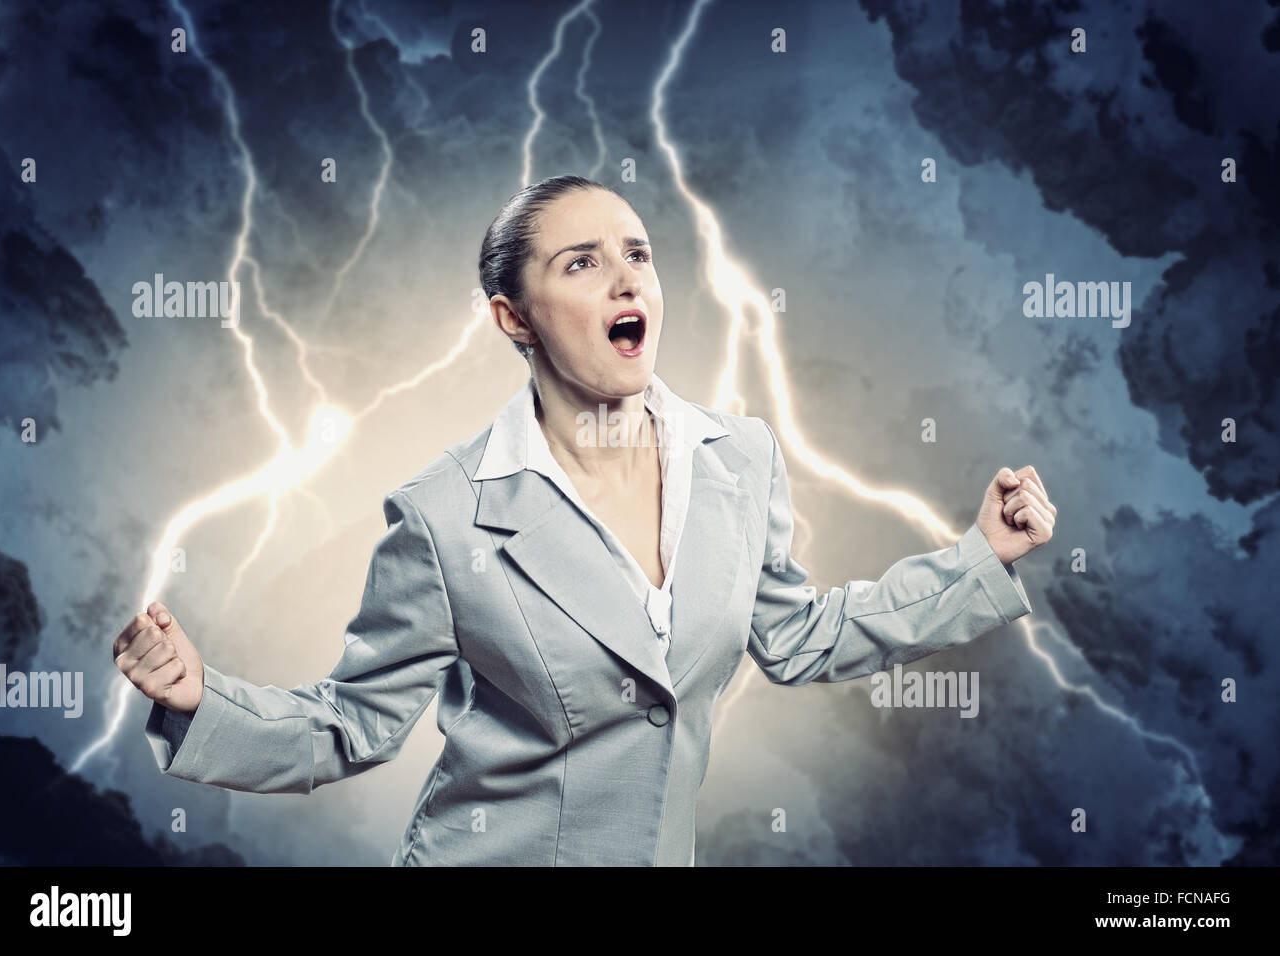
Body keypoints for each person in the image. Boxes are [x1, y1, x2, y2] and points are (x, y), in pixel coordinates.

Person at [112, 174, 1056, 866]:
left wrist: (981, 558)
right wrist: (199, 701)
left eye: (637, 255)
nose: (626, 281)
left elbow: (800, 636)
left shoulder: (740, 461)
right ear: (513, 318)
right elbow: (354, 724)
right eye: (582, 262)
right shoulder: (446, 518)